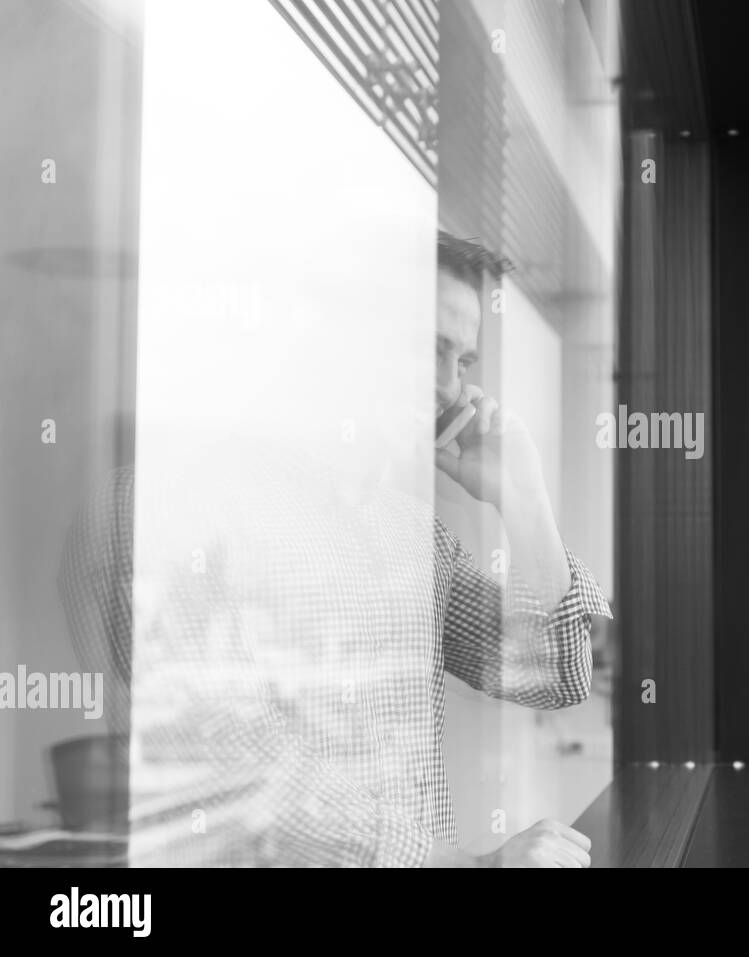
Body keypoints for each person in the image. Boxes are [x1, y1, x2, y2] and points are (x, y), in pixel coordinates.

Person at [58, 232, 609, 867]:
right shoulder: (169, 508)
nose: (448, 389)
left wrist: (524, 503)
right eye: (425, 347)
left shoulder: (411, 533)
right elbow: (235, 770)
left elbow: (555, 674)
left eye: (461, 362)